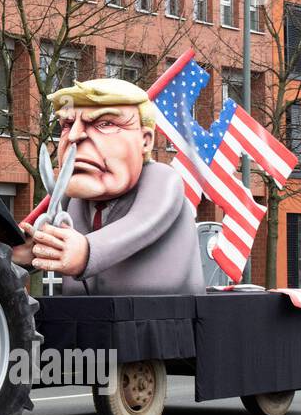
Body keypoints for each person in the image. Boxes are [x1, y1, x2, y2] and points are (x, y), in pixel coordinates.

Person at [12, 78, 205, 295]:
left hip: (159, 321)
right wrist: (32, 250)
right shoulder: (68, 196)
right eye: (67, 124)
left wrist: (85, 252)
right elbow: (48, 243)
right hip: (83, 320)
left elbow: (140, 224)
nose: (74, 136)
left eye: (105, 124)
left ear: (145, 141)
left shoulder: (162, 179)